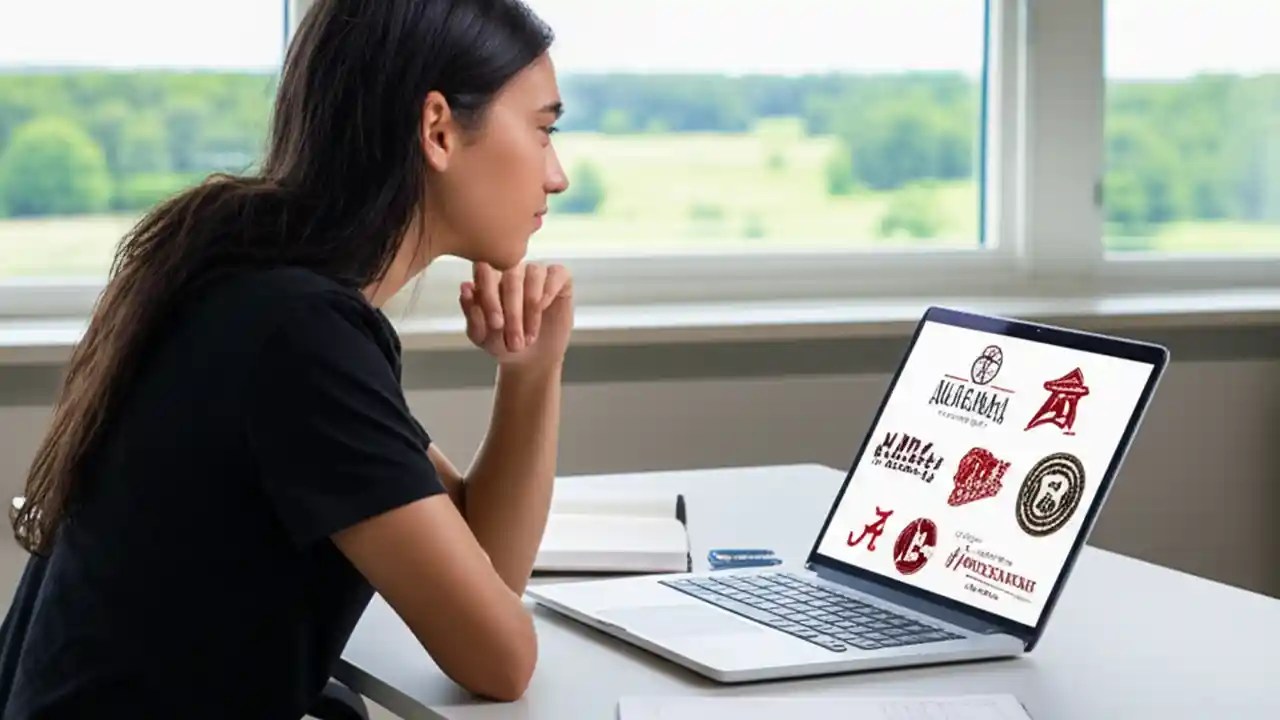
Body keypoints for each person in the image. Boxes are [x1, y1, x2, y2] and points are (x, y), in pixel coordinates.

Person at [0, 0, 571, 715]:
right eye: (544, 131)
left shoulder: (256, 293)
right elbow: (500, 660)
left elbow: (484, 576)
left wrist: (530, 371)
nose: (557, 176)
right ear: (438, 130)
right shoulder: (298, 338)